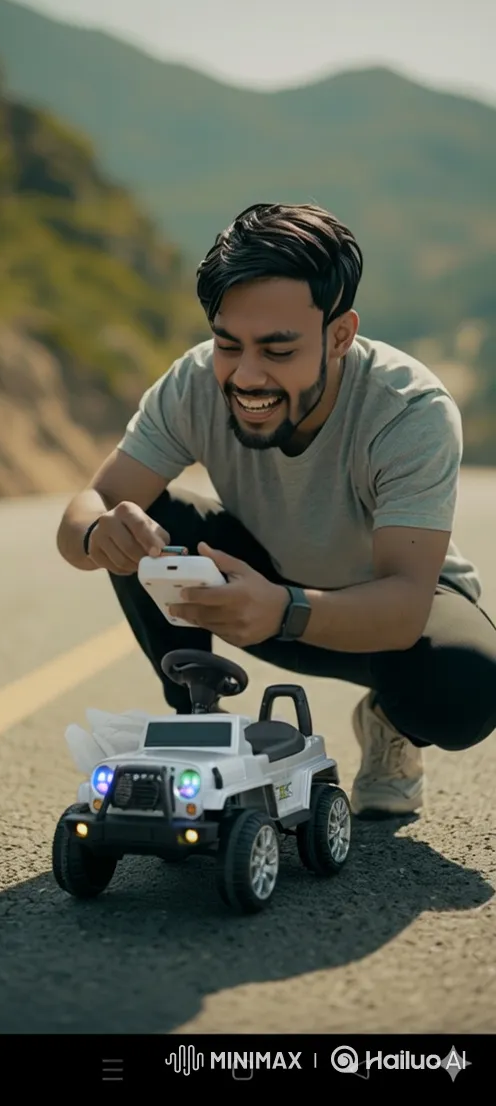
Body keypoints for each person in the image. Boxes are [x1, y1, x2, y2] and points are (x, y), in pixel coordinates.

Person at [56, 201, 496, 818]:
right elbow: (94, 501)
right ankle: (197, 726)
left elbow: (402, 607)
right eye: (228, 344)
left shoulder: (408, 409)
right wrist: (98, 533)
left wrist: (283, 609)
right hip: (257, 590)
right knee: (139, 510)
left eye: (278, 350)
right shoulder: (194, 383)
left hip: (383, 623)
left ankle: (390, 722)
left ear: (339, 336)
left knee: (469, 684)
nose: (247, 376)